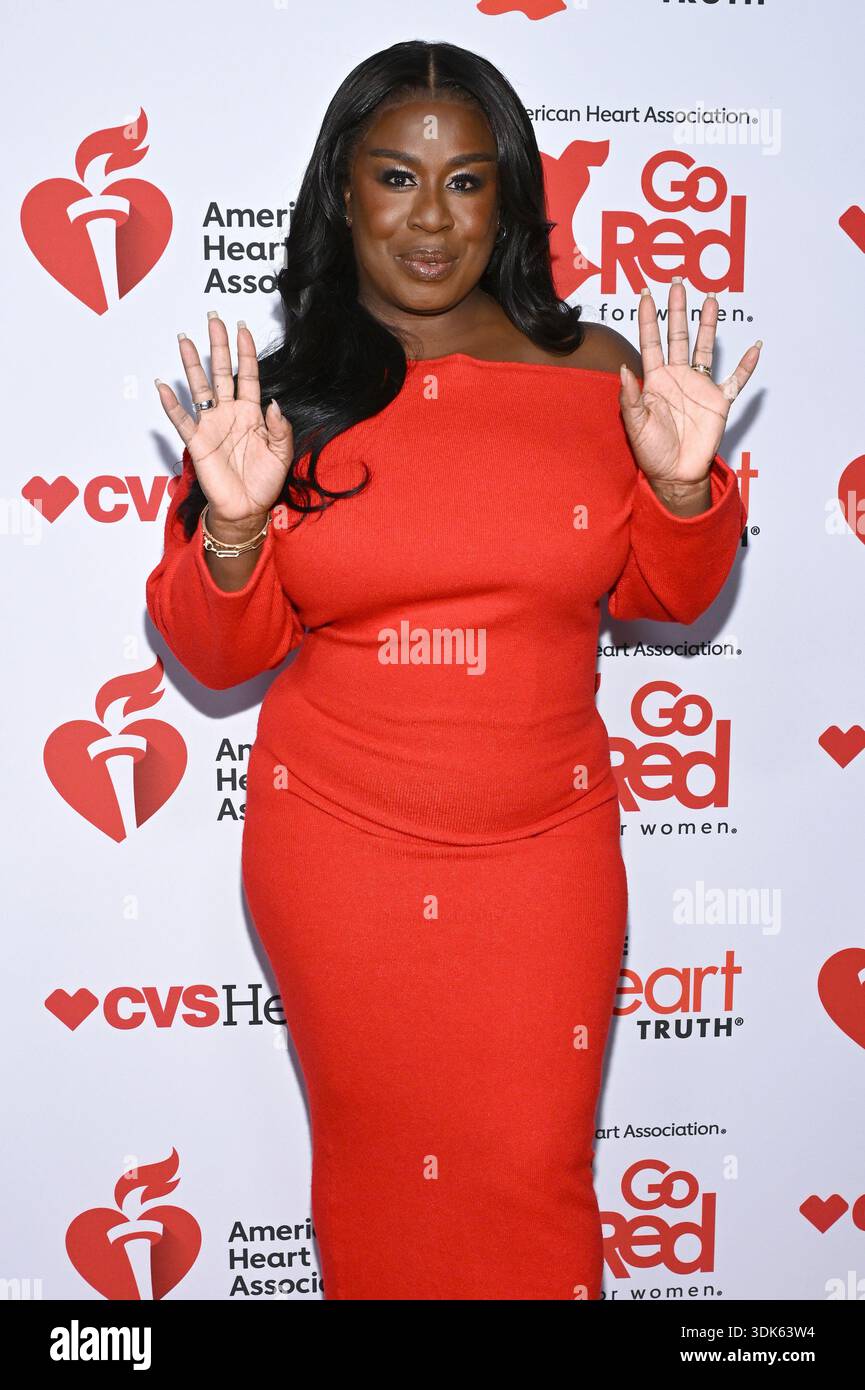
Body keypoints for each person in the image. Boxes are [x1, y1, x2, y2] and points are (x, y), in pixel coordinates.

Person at [145, 40, 757, 1300]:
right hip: (342, 857)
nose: (431, 219)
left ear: (511, 198)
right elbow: (215, 654)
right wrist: (235, 523)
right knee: (381, 1175)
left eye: (467, 182)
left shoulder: (600, 373)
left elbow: (671, 595)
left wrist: (686, 485)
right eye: (395, 178)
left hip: (547, 854)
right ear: (342, 192)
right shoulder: (280, 396)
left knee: (533, 1171)